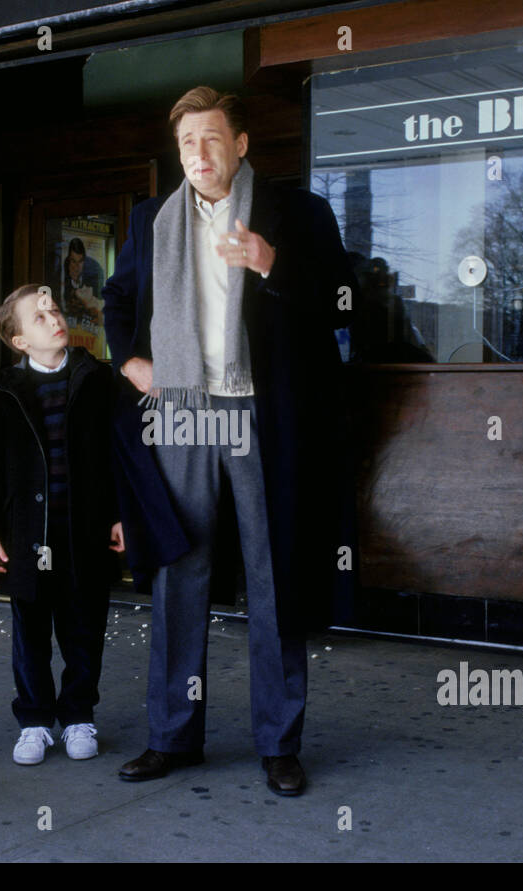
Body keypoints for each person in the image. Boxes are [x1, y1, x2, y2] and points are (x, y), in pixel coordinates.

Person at [104, 86, 355, 797]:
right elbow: (119, 302)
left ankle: (279, 743)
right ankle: (171, 736)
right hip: (183, 410)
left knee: (273, 575)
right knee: (178, 572)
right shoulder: (153, 218)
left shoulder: (298, 213)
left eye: (212, 139)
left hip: (258, 413)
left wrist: (273, 265)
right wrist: (131, 361)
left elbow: (343, 297)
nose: (199, 155)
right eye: (187, 143)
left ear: (241, 144)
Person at [0, 285, 124, 765]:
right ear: (19, 341)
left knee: (84, 627)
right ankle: (36, 720)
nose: (54, 318)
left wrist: (121, 514)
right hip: (28, 534)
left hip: (82, 528)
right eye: (39, 317)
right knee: (31, 632)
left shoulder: (97, 378)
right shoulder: (2, 391)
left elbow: (119, 454)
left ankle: (80, 714)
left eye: (55, 309)